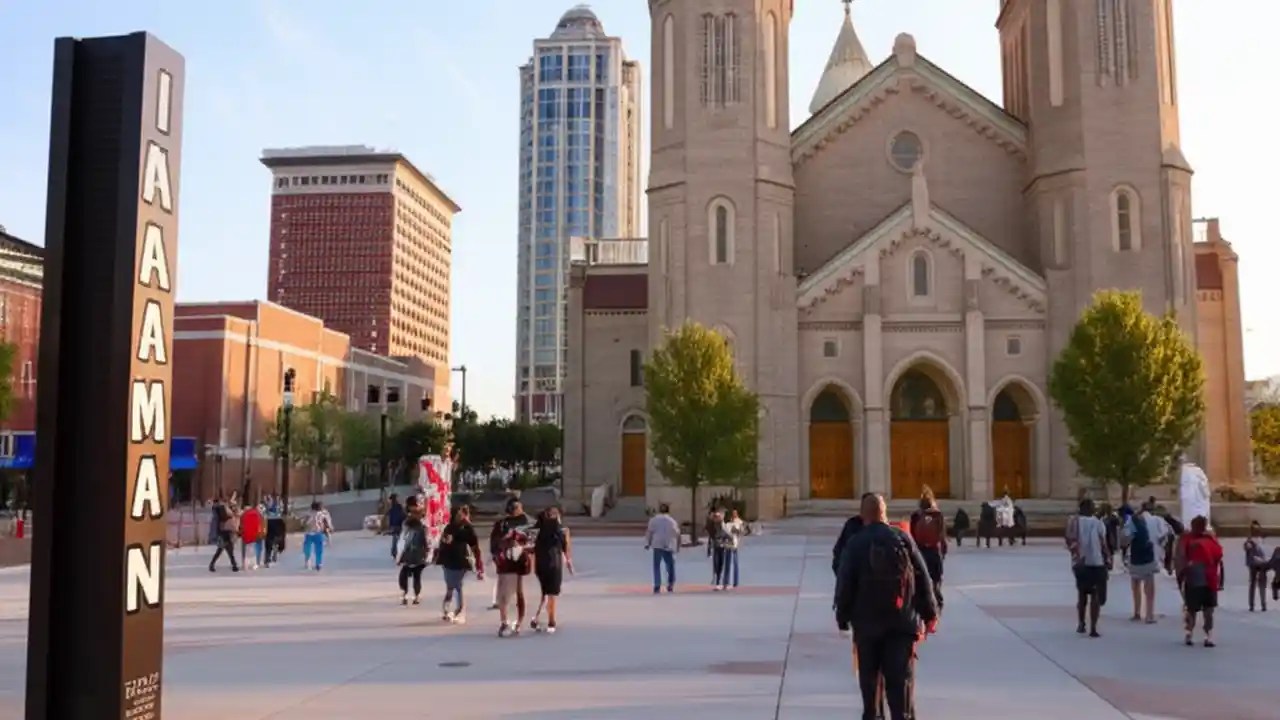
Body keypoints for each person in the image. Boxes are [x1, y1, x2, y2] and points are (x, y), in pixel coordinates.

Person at [836, 493, 939, 720]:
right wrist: (930, 614)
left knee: (871, 689)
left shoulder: (855, 543)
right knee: (900, 690)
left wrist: (842, 618)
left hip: (867, 628)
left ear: (864, 516)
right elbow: (923, 578)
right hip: (901, 625)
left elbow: (845, 583)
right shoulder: (902, 538)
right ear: (884, 513)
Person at [1065, 498, 1111, 637]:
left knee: (1082, 594)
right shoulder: (1098, 524)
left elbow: (1069, 540)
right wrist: (1108, 559)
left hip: (1080, 563)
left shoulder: (1073, 522)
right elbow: (1104, 543)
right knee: (1095, 595)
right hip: (1096, 562)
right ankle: (1093, 628)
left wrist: (1076, 554)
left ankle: (1081, 623)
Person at [1177, 515, 1224, 647]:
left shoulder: (1187, 539)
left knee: (1191, 608)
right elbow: (1219, 555)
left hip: (1193, 579)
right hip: (1210, 579)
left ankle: (1189, 633)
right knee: (1208, 610)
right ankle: (1208, 636)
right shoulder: (1211, 540)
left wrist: (1181, 576)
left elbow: (1181, 557)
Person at [490, 499, 533, 637]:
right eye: (512, 508)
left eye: (515, 508)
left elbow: (533, 543)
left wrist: (521, 546)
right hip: (504, 562)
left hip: (520, 561)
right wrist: (502, 547)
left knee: (518, 593)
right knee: (503, 593)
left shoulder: (528, 523)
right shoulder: (502, 524)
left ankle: (518, 623)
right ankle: (504, 622)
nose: (514, 510)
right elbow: (494, 543)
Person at [437, 505, 485, 624]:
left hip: (461, 560)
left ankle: (458, 610)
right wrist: (444, 544)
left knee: (457, 585)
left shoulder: (468, 528)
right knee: (450, 586)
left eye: (461, 514)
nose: (459, 516)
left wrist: (479, 564)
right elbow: (442, 543)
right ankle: (447, 609)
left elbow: (475, 546)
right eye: (457, 514)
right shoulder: (449, 527)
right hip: (448, 560)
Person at [1123, 502, 1171, 623]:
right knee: (1149, 586)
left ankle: (1137, 612)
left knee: (1135, 584)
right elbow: (1164, 536)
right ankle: (1149, 614)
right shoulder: (1158, 520)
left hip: (1135, 556)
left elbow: (1126, 538)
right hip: (1151, 556)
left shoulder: (1132, 520)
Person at [531, 507, 574, 633]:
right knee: (552, 594)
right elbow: (566, 548)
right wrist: (569, 563)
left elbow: (532, 547)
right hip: (554, 564)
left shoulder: (539, 530)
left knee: (544, 593)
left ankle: (537, 618)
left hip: (540, 565)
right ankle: (551, 621)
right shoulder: (562, 530)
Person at [909, 488, 947, 611]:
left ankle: (922, 607)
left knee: (921, 581)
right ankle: (937, 607)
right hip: (934, 552)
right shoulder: (938, 514)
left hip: (920, 553)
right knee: (936, 582)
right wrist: (942, 553)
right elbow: (942, 537)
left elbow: (913, 536)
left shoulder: (916, 516)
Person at [396, 498, 430, 605]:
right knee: (415, 576)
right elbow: (425, 542)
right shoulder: (420, 527)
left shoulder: (407, 525)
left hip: (409, 555)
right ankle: (414, 595)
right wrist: (426, 553)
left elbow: (402, 541)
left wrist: (398, 554)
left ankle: (406, 594)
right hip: (416, 555)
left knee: (406, 575)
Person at [645, 503, 681, 594]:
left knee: (656, 566)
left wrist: (648, 543)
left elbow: (649, 532)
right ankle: (670, 584)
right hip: (669, 545)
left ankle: (657, 585)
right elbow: (677, 534)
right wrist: (678, 546)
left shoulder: (654, 520)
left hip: (657, 544)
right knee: (670, 565)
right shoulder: (672, 521)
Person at [1243, 520, 1270, 612]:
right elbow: (1247, 549)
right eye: (1254, 529)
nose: (1256, 531)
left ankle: (1263, 604)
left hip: (1261, 564)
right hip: (1254, 564)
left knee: (1261, 584)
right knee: (1253, 584)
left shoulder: (1260, 539)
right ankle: (1252, 604)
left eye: (1257, 529)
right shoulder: (1249, 541)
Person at [208, 496, 240, 573]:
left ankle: (233, 565)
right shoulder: (221, 508)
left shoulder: (216, 509)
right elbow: (226, 517)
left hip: (222, 531)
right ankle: (233, 565)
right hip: (224, 531)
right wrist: (232, 514)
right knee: (225, 549)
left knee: (225, 549)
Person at [718, 508, 746, 590]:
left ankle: (733, 582)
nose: (734, 514)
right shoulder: (729, 523)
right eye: (733, 513)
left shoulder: (739, 522)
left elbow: (741, 531)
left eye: (735, 513)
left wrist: (737, 530)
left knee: (733, 563)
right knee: (728, 563)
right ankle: (727, 582)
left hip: (734, 544)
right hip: (729, 544)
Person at [302, 501, 333, 571]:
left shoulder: (321, 513)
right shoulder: (311, 513)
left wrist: (329, 527)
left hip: (314, 533)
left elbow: (327, 521)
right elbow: (304, 522)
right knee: (314, 549)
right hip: (313, 533)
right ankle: (314, 562)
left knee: (312, 549)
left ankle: (315, 562)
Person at [239, 498, 265, 571]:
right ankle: (255, 564)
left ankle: (245, 564)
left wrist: (240, 532)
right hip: (255, 534)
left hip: (245, 534)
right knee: (255, 549)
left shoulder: (243, 515)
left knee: (245, 550)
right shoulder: (257, 514)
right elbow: (260, 523)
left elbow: (241, 525)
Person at [705, 508, 727, 588]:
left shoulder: (713, 524)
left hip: (717, 544)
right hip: (719, 544)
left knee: (718, 562)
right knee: (719, 562)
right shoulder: (718, 524)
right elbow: (725, 533)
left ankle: (717, 578)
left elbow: (710, 536)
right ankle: (718, 579)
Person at [262, 494, 286, 567]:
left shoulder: (268, 509)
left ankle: (267, 560)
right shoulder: (278, 508)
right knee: (276, 538)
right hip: (277, 521)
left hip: (270, 522)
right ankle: (275, 549)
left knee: (268, 544)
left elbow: (266, 509)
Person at [386, 493, 407, 559]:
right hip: (398, 524)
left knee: (395, 539)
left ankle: (395, 553)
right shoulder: (398, 506)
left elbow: (389, 515)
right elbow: (402, 514)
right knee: (398, 539)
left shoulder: (392, 507)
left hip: (395, 525)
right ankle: (397, 553)